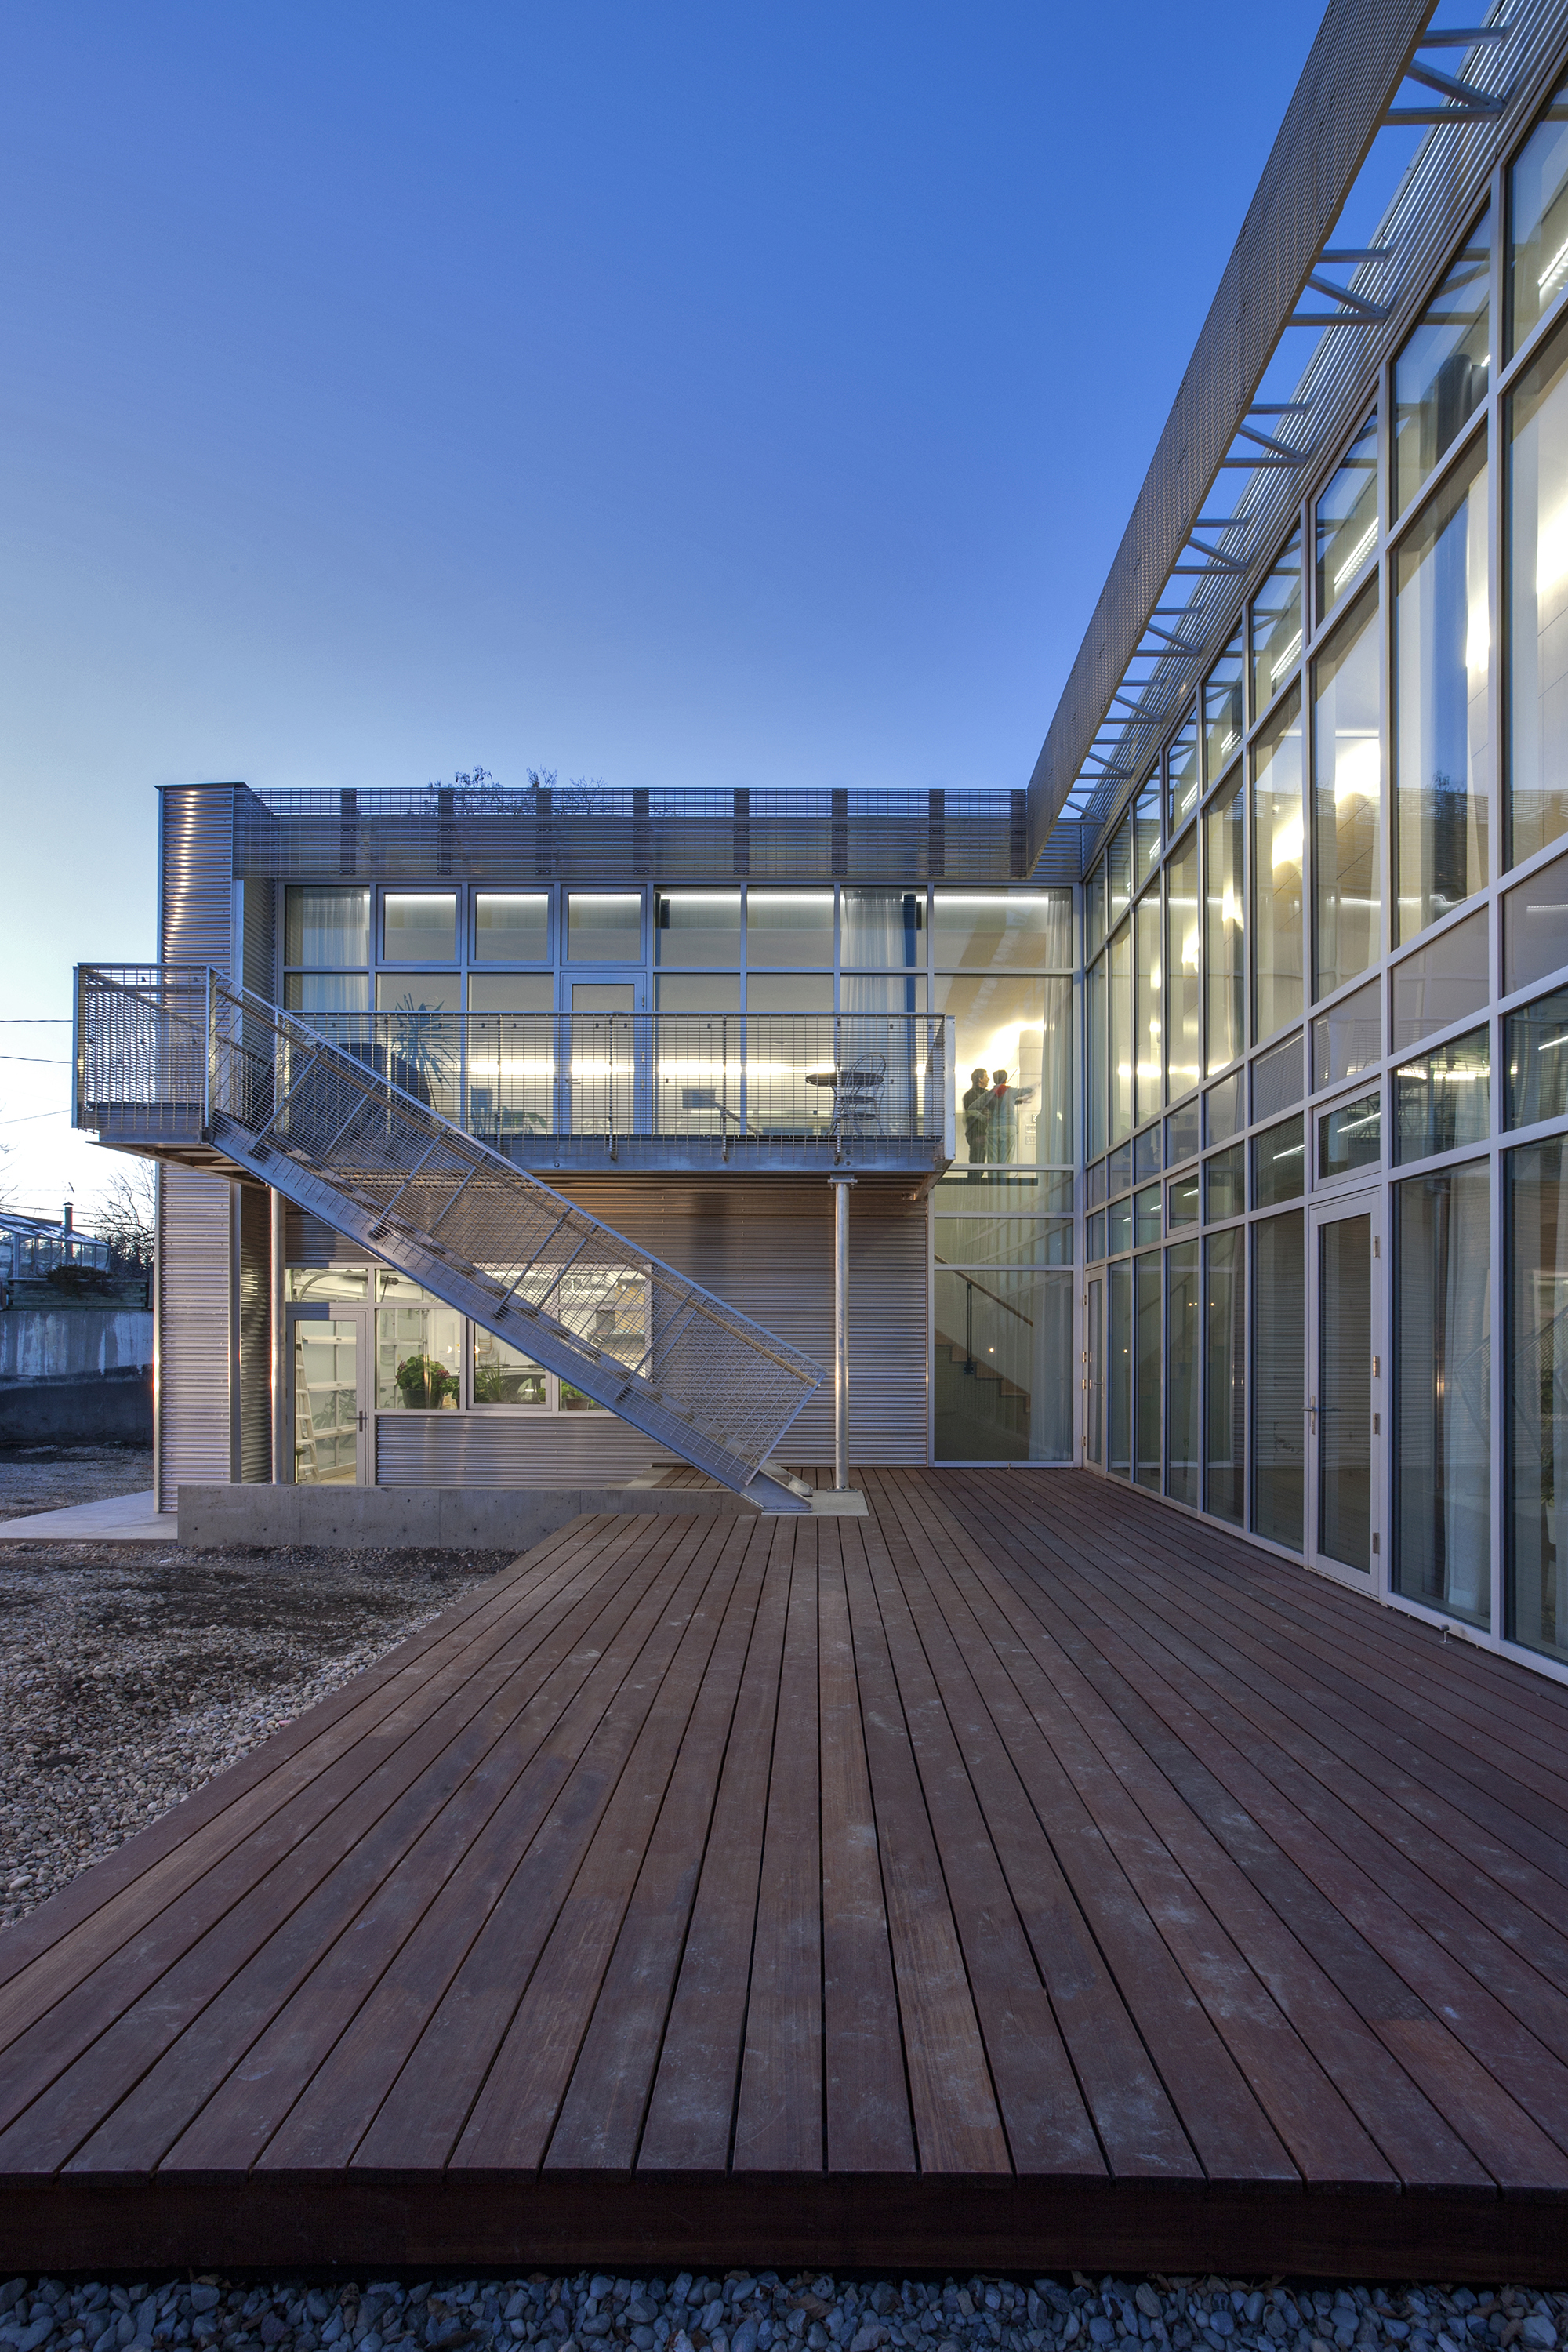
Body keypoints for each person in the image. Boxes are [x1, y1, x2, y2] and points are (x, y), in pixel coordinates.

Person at [961, 1066, 993, 1177]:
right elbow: (972, 1115)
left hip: (984, 1133)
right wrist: (979, 1134)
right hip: (978, 1134)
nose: (989, 1079)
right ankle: (974, 1186)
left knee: (980, 1163)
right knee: (977, 1162)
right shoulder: (971, 1095)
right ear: (980, 1079)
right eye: (986, 1077)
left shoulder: (987, 1094)